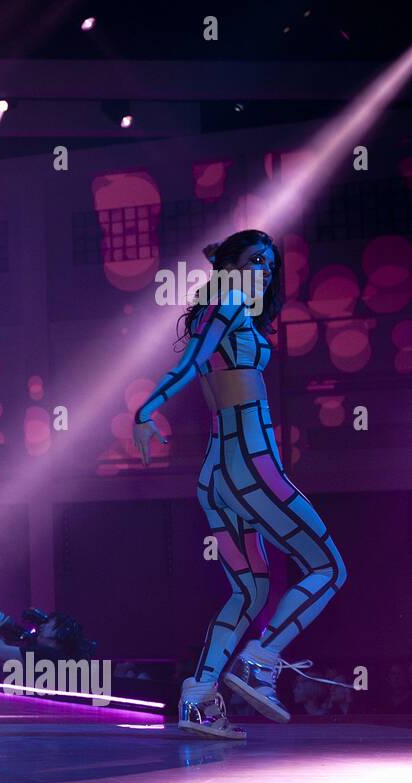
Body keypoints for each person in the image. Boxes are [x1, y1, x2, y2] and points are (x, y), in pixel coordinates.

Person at [132, 230, 347, 739]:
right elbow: (187, 364)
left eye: (270, 265)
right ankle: (260, 660)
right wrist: (144, 410)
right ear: (228, 265)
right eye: (254, 260)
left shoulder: (228, 309)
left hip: (220, 472)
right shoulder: (226, 302)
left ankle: (198, 698)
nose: (265, 272)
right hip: (249, 465)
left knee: (250, 589)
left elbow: (197, 361)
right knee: (328, 567)